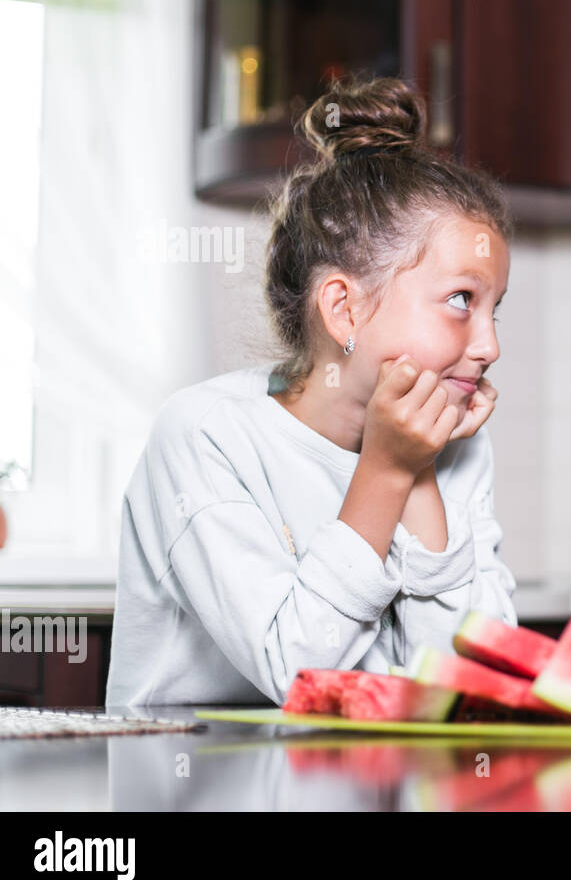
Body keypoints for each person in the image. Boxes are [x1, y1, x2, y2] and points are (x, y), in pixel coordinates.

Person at [106, 76, 515, 707]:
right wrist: (387, 469)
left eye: (496, 309)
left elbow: (472, 684)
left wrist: (421, 475)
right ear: (344, 311)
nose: (489, 346)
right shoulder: (206, 435)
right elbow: (294, 672)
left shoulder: (453, 445)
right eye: (461, 301)